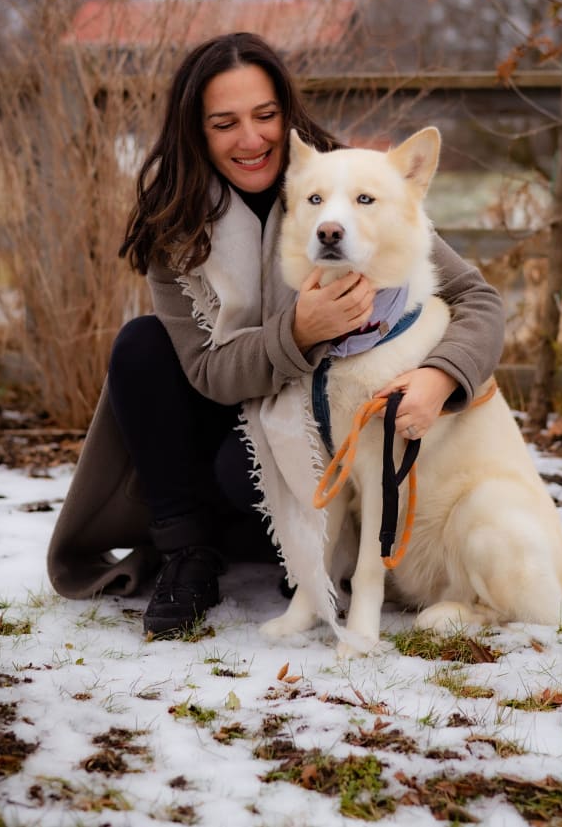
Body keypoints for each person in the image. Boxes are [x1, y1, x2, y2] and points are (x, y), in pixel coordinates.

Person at [46, 31, 506, 638]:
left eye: (266, 116)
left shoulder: (342, 184)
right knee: (141, 345)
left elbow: (477, 297)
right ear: (196, 132)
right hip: (216, 407)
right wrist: (299, 330)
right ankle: (187, 551)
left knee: (246, 467)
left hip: (305, 426)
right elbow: (208, 373)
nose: (251, 138)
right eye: (224, 123)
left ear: (286, 114)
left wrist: (439, 375)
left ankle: (293, 547)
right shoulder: (178, 219)